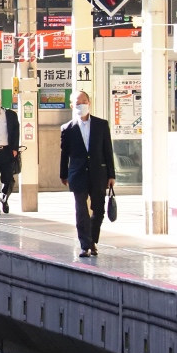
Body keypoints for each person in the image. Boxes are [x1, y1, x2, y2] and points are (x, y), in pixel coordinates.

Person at [59, 91, 115, 258]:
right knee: (81, 210)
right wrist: (63, 174)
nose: (81, 105)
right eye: (77, 102)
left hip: (99, 173)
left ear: (89, 103)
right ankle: (84, 244)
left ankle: (92, 240)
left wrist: (111, 175)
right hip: (77, 174)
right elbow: (64, 154)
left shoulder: (101, 125)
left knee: (98, 209)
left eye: (84, 101)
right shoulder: (67, 129)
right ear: (71, 105)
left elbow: (108, 151)